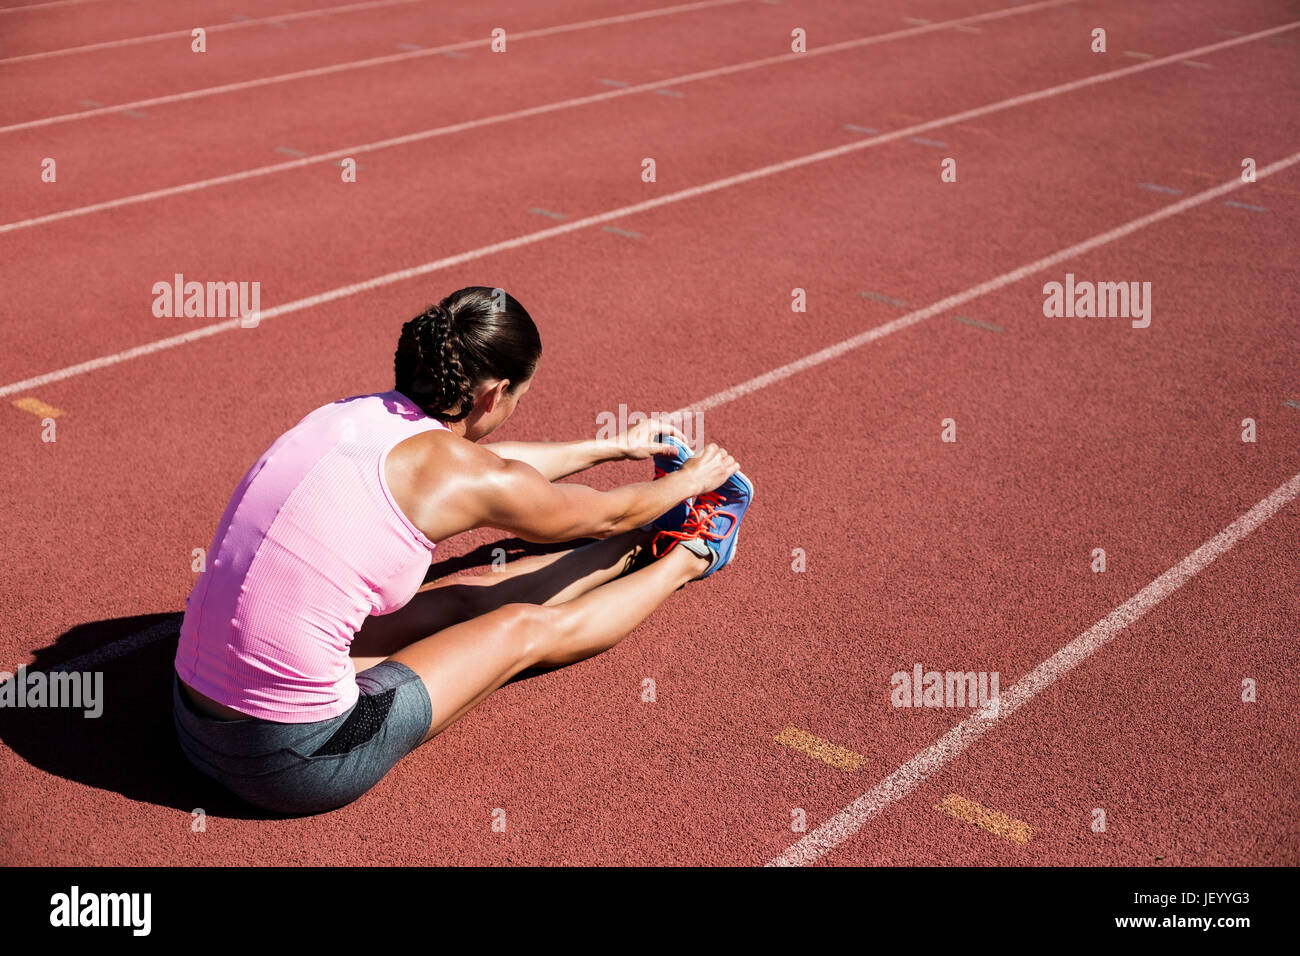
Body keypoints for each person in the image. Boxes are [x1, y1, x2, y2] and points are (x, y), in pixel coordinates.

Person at [172, 286, 754, 815]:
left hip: (192, 716)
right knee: (519, 629)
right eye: (519, 398)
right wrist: (689, 480)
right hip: (292, 760)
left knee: (450, 604)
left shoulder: (347, 415)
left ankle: (647, 545)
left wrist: (608, 448)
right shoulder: (458, 471)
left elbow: (494, 471)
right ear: (496, 394)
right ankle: (695, 552)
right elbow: (605, 515)